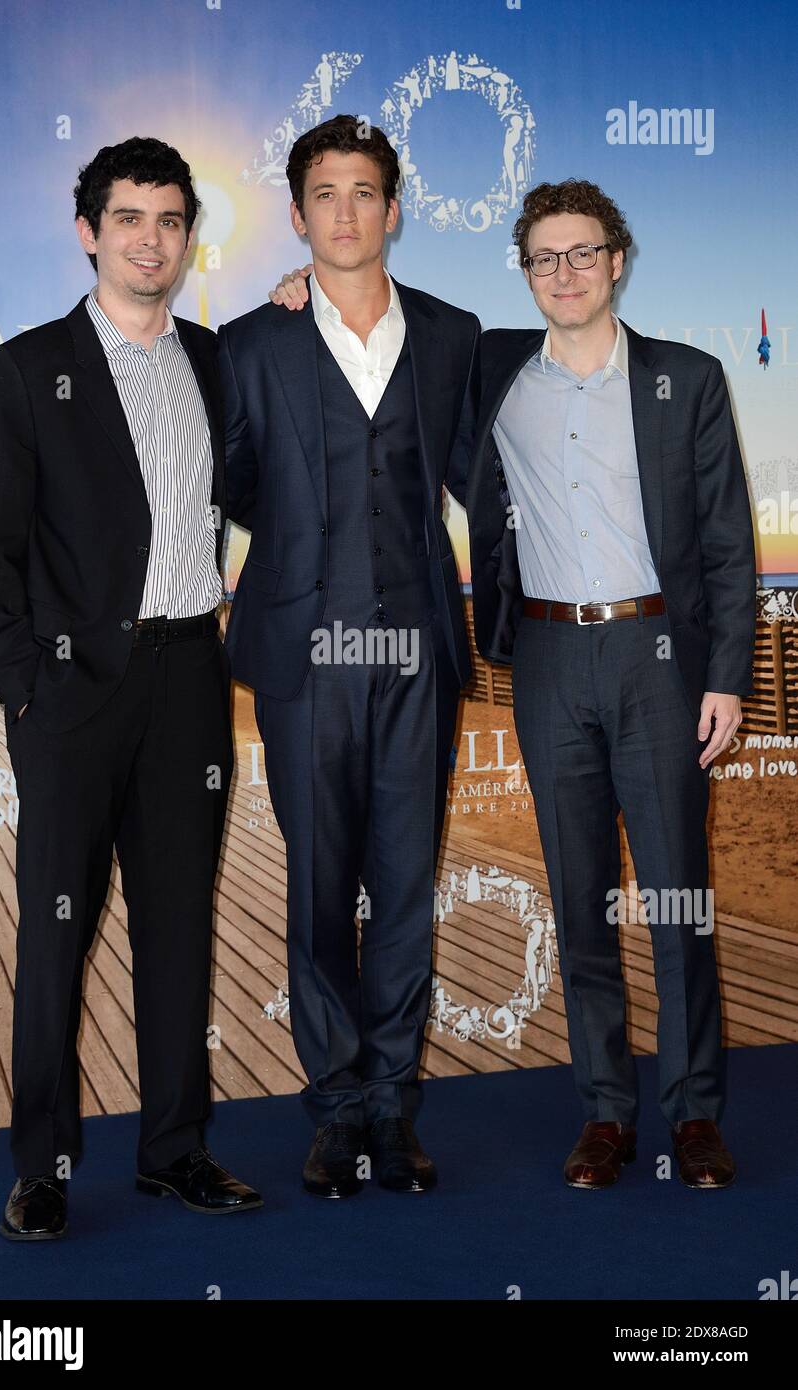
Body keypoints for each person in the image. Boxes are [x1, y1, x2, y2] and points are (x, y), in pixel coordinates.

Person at [0, 136, 262, 1240]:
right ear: (88, 232)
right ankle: (41, 1166)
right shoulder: (26, 365)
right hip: (73, 692)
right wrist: (25, 685)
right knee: (54, 935)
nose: (151, 238)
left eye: (171, 220)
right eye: (128, 218)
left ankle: (174, 1151)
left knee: (180, 928)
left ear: (190, 238)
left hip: (189, 677)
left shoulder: (218, 359)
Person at [466, 179, 756, 1189]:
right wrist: (300, 288)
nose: (564, 273)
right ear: (526, 272)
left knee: (678, 894)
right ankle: (603, 1113)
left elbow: (726, 543)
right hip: (547, 658)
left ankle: (694, 1114)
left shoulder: (687, 377)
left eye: (581, 252)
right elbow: (388, 328)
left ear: (617, 259)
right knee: (578, 896)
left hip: (657, 660)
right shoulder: (494, 377)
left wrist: (725, 677)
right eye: (543, 257)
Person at [218, 114, 479, 1197]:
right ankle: (333, 1113)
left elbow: (499, 469)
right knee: (320, 889)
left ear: (393, 208)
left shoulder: (456, 333)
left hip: (417, 648)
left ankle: (393, 1108)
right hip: (305, 654)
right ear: (295, 213)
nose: (344, 211)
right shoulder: (246, 342)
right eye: (323, 193)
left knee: (405, 888)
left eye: (364, 191)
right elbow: (223, 482)